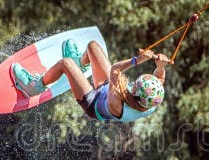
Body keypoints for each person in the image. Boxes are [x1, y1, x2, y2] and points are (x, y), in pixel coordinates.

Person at [12, 39, 168, 122]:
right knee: (93, 46)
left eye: (136, 85)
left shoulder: (117, 104)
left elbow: (115, 69)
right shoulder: (151, 100)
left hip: (93, 103)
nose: (134, 83)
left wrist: (137, 60)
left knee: (65, 63)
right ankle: (80, 62)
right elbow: (159, 79)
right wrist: (160, 67)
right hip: (107, 89)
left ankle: (35, 86)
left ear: (135, 93)